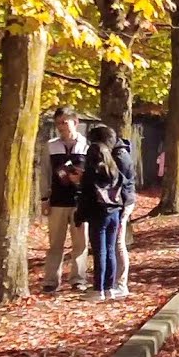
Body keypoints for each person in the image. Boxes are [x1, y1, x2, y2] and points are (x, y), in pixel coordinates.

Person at [76, 125, 127, 302]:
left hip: (98, 213)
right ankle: (110, 287)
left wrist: (80, 215)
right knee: (111, 250)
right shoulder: (114, 170)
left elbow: (86, 194)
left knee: (100, 251)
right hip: (114, 212)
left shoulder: (92, 172)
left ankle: (99, 289)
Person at [41, 106, 89, 293]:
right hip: (57, 201)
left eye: (65, 122)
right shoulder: (51, 146)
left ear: (75, 122)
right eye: (58, 123)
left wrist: (82, 178)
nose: (61, 127)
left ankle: (78, 279)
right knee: (55, 243)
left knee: (80, 243)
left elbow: (94, 173)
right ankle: (51, 281)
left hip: (79, 201)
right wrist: (44, 198)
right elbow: (45, 173)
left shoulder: (87, 146)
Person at [113, 135, 138, 298]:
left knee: (118, 242)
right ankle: (114, 281)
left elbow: (119, 182)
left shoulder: (119, 156)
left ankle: (121, 284)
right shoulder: (119, 153)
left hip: (122, 202)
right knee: (116, 242)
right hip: (122, 201)